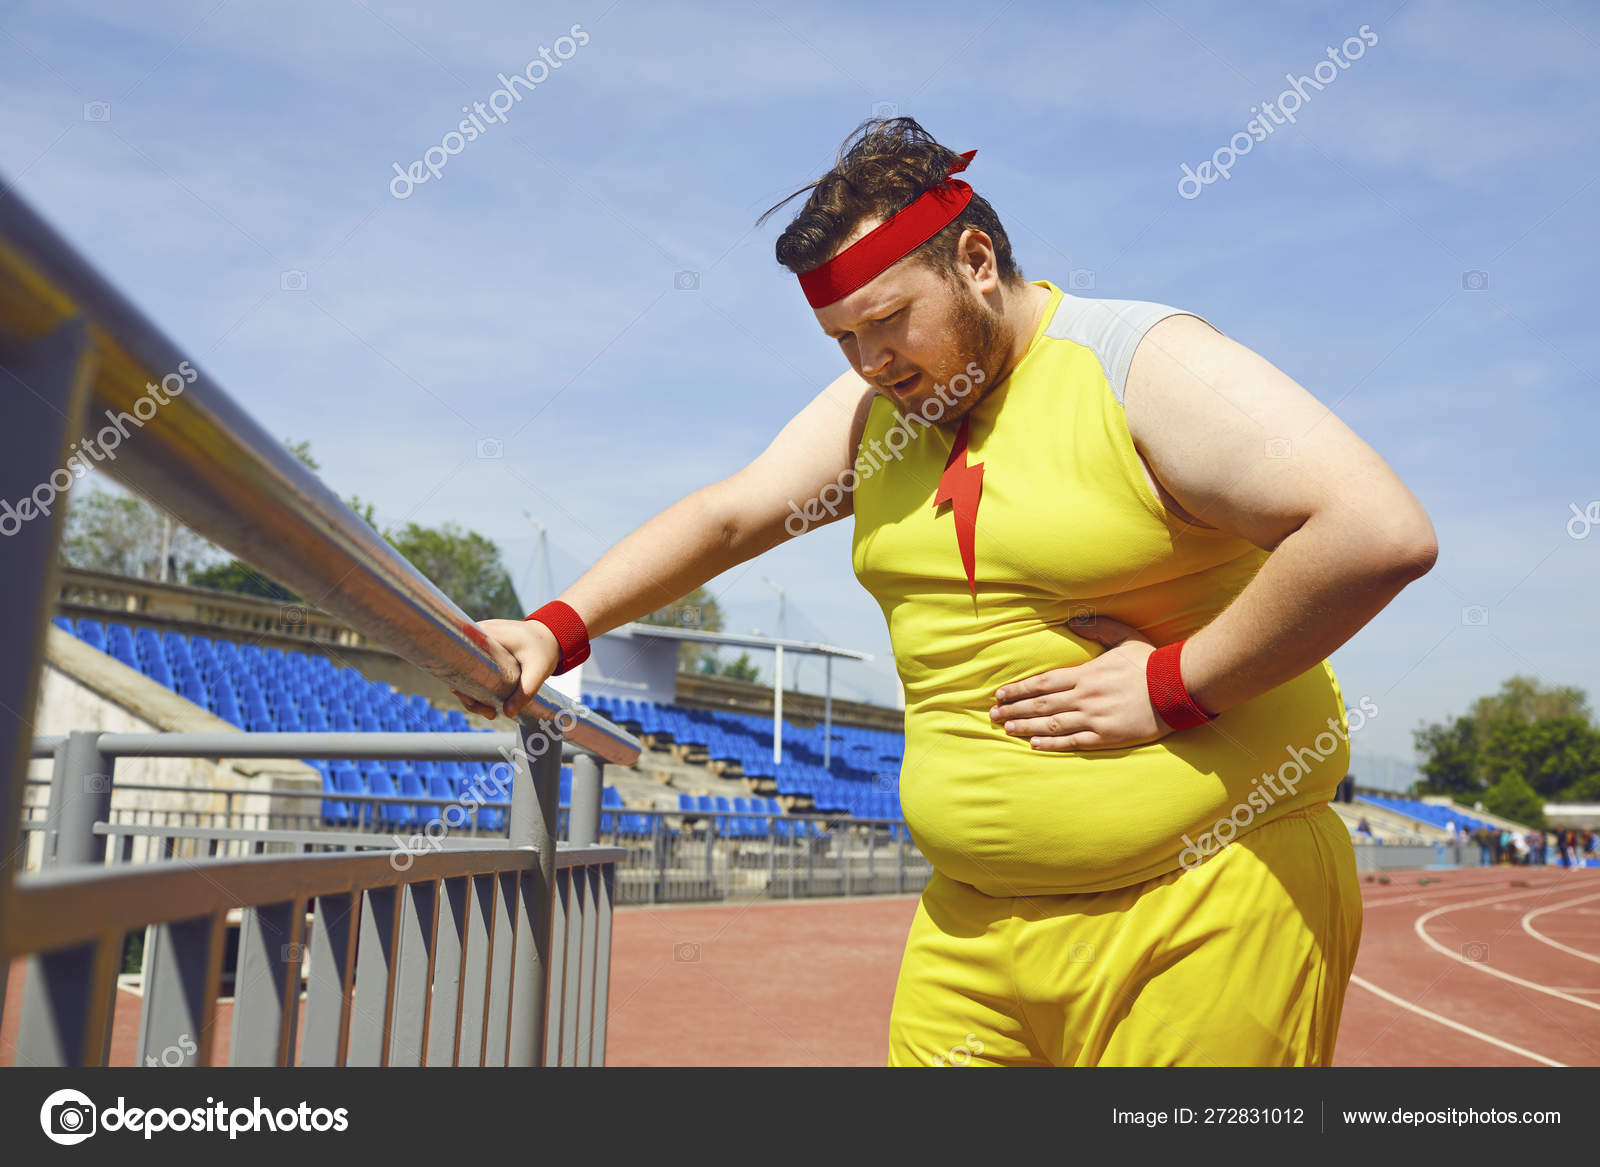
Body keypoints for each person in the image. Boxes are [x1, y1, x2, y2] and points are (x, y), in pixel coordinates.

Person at [451, 117, 1438, 1066]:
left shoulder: (1139, 362)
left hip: (1205, 903)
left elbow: (1375, 529)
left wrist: (1178, 684)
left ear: (973, 261)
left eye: (887, 321)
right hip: (972, 931)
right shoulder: (879, 408)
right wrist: (554, 629)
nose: (870, 362)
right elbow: (734, 515)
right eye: (842, 338)